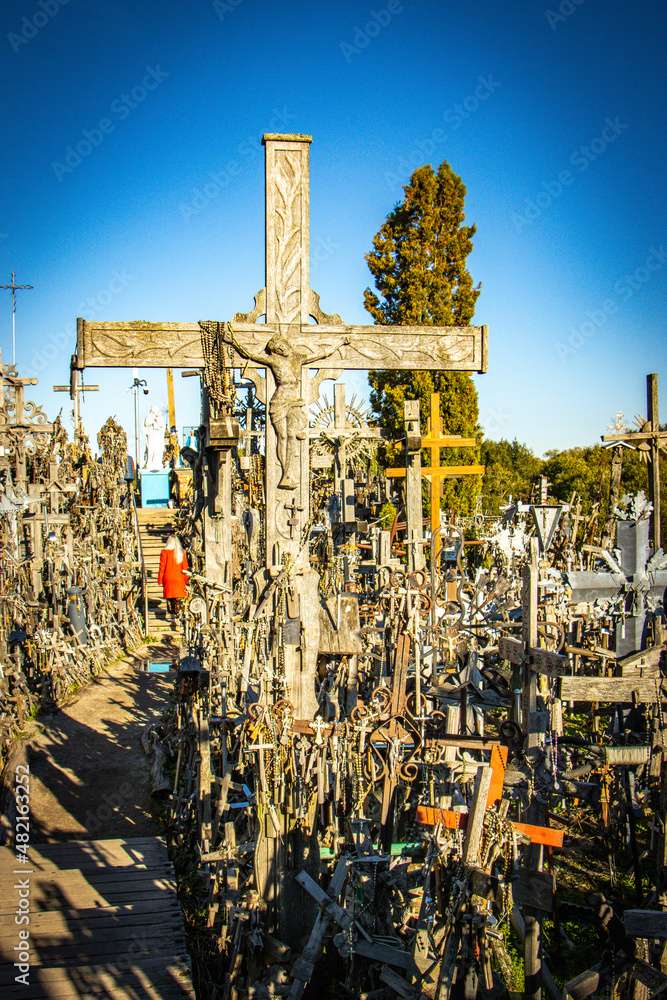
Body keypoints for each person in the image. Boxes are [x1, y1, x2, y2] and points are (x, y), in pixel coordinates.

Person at [157, 535, 188, 626]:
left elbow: (162, 567)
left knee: (170, 598)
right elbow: (185, 567)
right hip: (179, 578)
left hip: (168, 577)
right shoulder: (181, 552)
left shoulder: (164, 552)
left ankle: (172, 615)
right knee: (179, 598)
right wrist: (186, 579)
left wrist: (160, 579)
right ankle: (179, 615)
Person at [144, 405, 165, 470]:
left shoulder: (159, 416)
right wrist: (153, 421)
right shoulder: (149, 415)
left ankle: (156, 463)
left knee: (157, 449)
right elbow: (146, 423)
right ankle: (149, 462)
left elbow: (162, 425)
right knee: (150, 449)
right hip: (151, 435)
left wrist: (157, 420)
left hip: (157, 436)